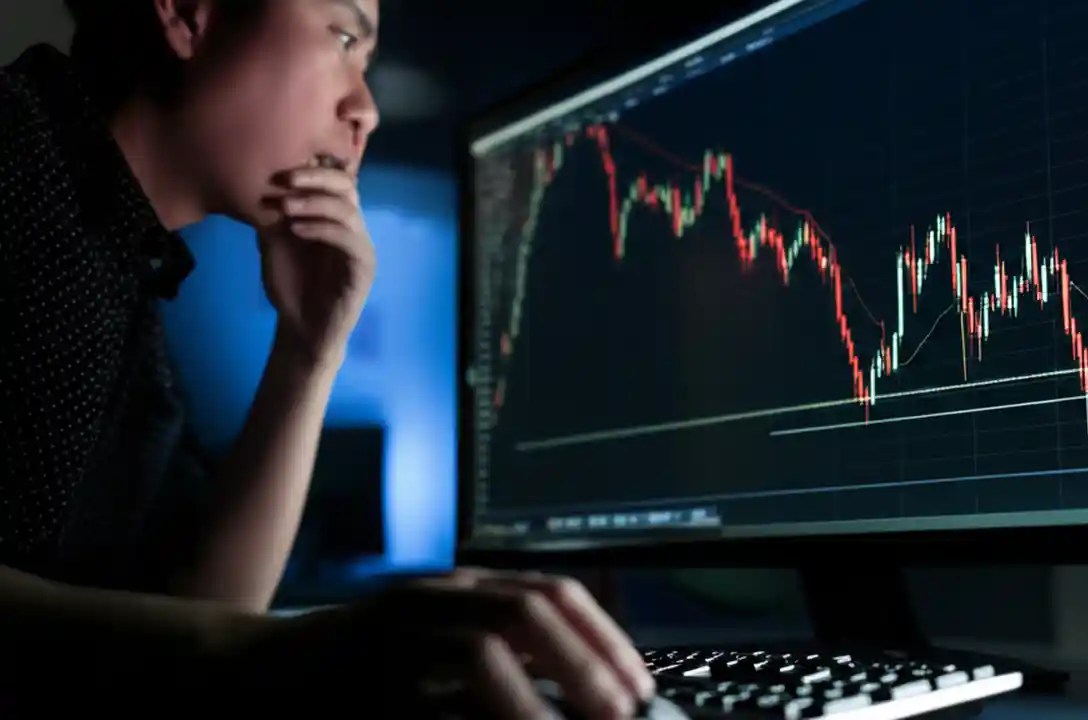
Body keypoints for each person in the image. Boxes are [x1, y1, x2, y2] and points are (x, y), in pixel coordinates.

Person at [0, 0, 653, 717]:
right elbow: (221, 640)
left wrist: (310, 349)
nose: (365, 109)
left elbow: (206, 610)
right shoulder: (20, 164)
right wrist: (292, 650)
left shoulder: (122, 262)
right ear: (189, 14)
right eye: (342, 36)